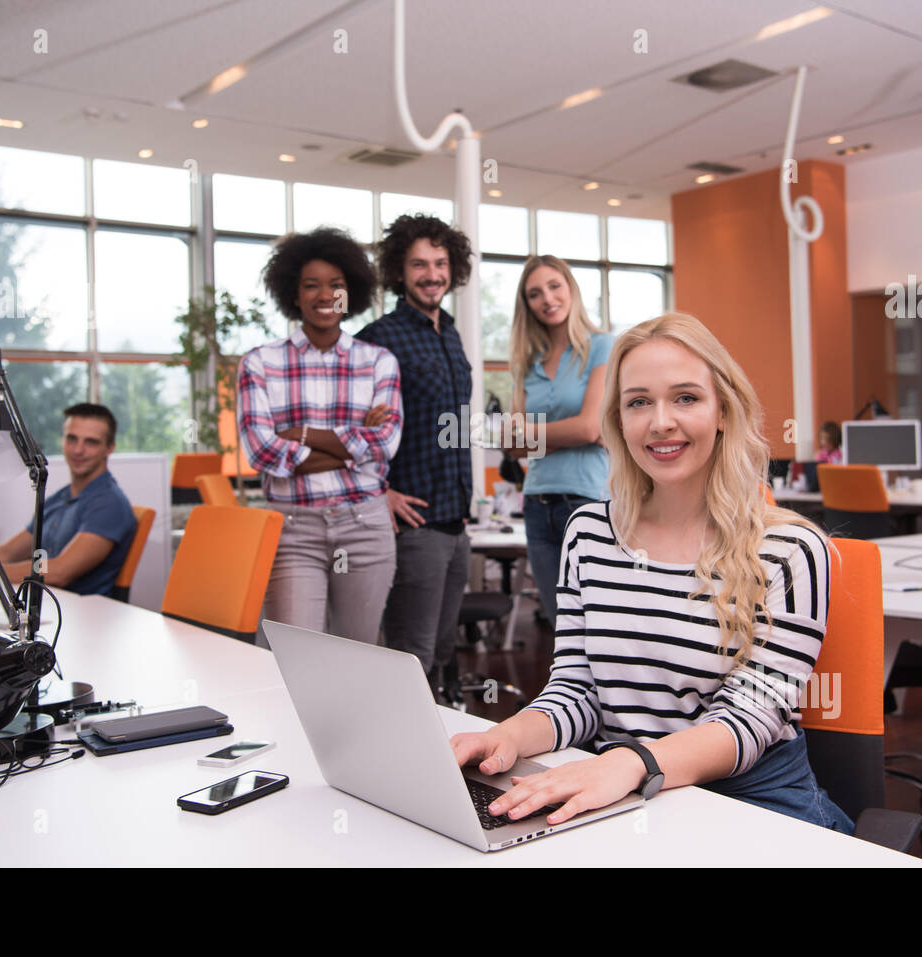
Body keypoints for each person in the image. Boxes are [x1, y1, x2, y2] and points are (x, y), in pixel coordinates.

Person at [450, 313, 854, 833]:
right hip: (622, 792)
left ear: (724, 410)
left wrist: (628, 763)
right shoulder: (589, 532)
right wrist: (509, 735)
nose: (660, 421)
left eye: (685, 398)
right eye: (638, 401)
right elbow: (577, 690)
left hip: (750, 803)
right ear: (617, 419)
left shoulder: (790, 549)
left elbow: (749, 721)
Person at [237, 227, 402, 646]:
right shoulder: (260, 363)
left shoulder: (378, 361)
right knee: (297, 656)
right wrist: (354, 444)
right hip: (293, 529)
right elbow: (261, 451)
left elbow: (384, 445)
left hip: (364, 524)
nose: (324, 295)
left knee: (359, 655)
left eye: (336, 285)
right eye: (311, 285)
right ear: (293, 294)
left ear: (352, 294)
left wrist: (302, 435)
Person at [355, 214, 474, 697]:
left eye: (441, 263)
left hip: (456, 522)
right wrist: (378, 493)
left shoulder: (451, 333)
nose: (432, 274)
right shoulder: (378, 338)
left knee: (442, 652)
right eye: (419, 264)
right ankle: (396, 764)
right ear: (399, 272)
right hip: (415, 525)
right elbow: (353, 428)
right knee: (411, 655)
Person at [507, 255, 612, 626]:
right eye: (535, 294)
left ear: (571, 289)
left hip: (587, 501)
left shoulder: (603, 346)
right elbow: (512, 444)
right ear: (527, 305)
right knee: (560, 627)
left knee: (597, 625)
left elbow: (589, 428)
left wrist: (531, 432)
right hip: (537, 504)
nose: (547, 299)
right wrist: (563, 434)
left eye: (554, 286)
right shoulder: (526, 361)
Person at [0, 403, 137, 597]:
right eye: (71, 439)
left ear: (109, 448)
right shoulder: (59, 498)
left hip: (81, 617)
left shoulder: (109, 504)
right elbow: (10, 552)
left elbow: (59, 571)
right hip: (46, 606)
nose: (78, 450)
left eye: (91, 442)